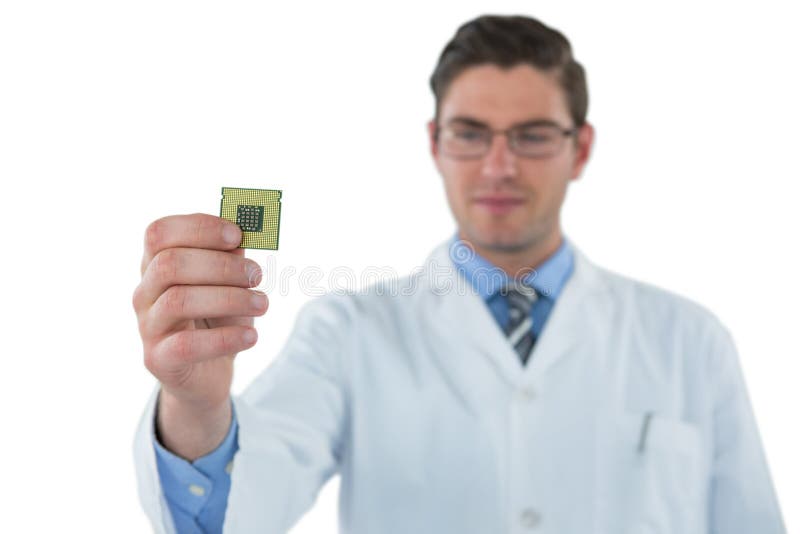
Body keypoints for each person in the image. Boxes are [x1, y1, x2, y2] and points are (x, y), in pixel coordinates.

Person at [132, 14, 786, 534]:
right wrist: (195, 405)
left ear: (580, 148)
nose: (499, 166)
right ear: (435, 143)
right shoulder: (349, 333)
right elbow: (234, 514)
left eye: (531, 135)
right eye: (471, 133)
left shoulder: (690, 342)